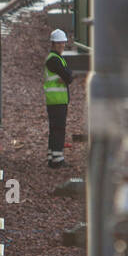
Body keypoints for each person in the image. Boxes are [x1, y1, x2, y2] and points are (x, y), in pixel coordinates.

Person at [44, 28, 73, 167]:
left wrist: (67, 76)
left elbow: (68, 75)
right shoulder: (54, 60)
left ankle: (52, 157)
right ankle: (57, 160)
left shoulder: (57, 59)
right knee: (58, 129)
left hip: (56, 100)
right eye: (59, 43)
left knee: (54, 129)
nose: (62, 45)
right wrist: (67, 77)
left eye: (63, 43)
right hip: (57, 100)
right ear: (54, 44)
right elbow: (68, 76)